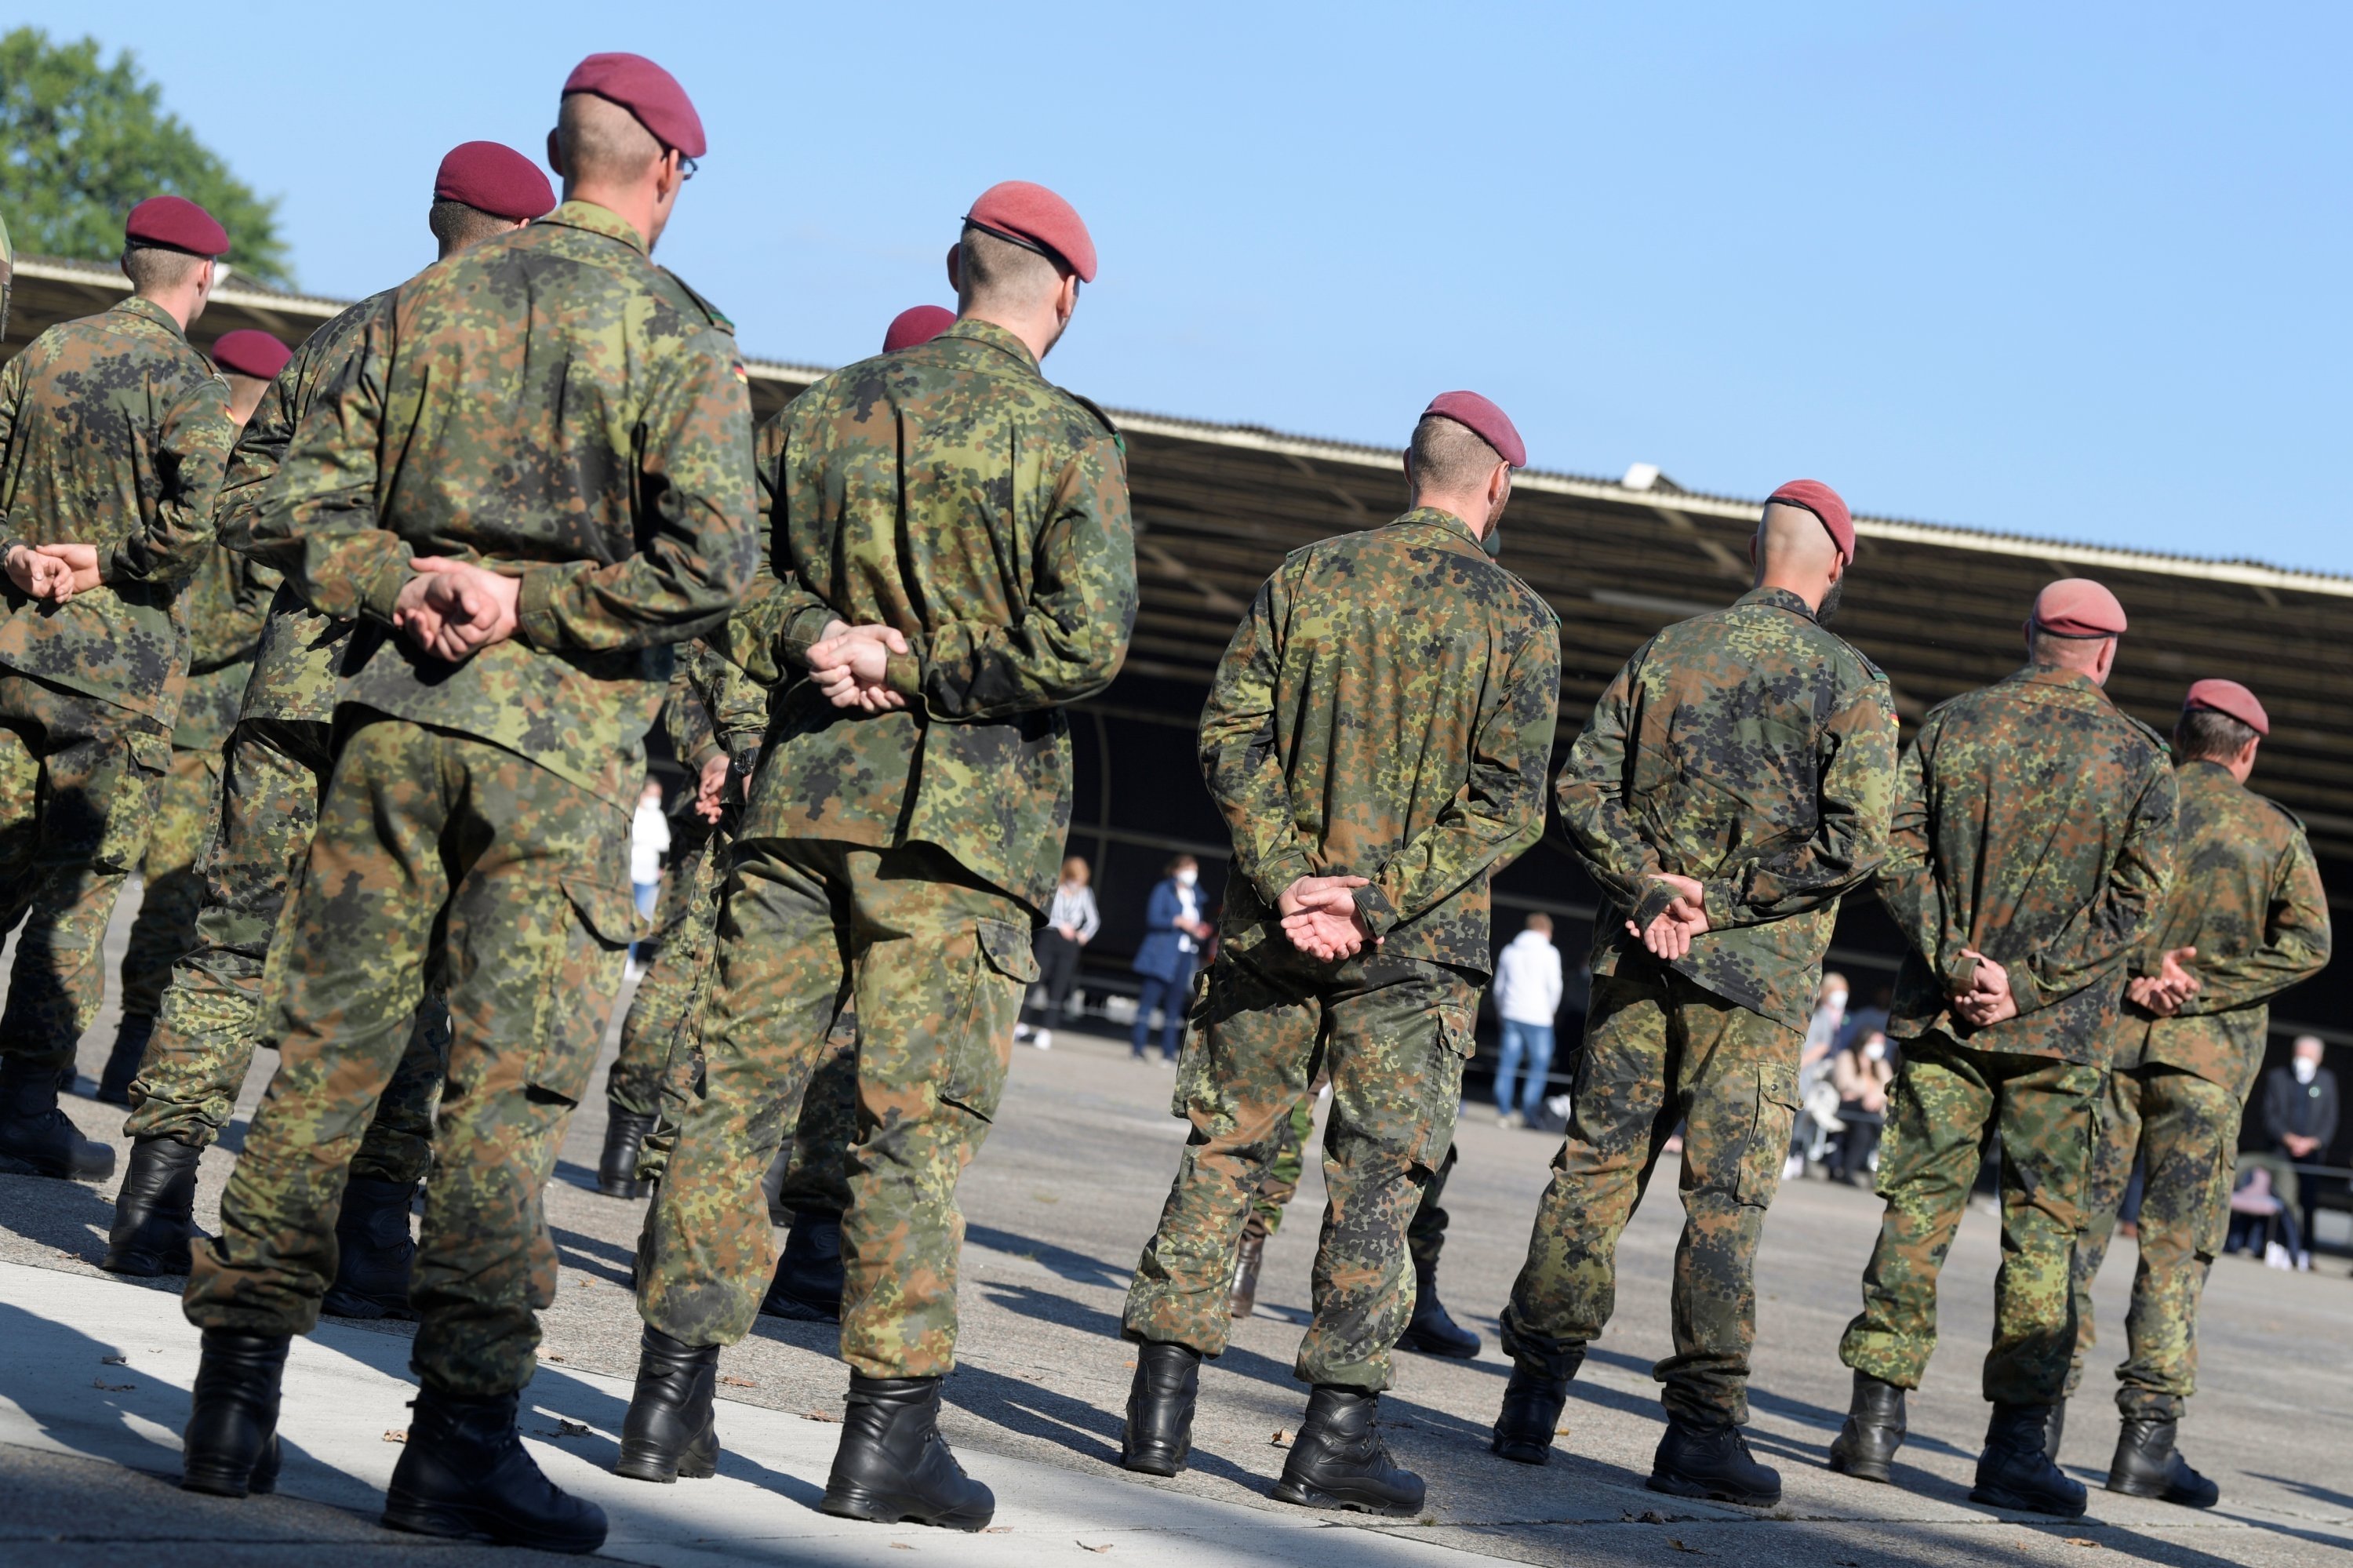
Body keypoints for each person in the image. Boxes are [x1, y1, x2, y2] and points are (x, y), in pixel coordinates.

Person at [180, 57, 752, 1555]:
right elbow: (712, 565)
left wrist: (402, 577)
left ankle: (231, 1402)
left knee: (326, 1057)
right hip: (553, 758)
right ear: (667, 172)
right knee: (505, 1096)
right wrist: (530, 601)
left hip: (392, 722)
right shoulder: (679, 336)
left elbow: (263, 496)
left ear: (565, 155)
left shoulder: (417, 306)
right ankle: (459, 1442)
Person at [621, 179, 1132, 1534]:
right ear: (1066, 293)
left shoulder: (830, 407)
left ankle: (667, 1402)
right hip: (957, 834)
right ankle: (884, 1438)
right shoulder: (1067, 439)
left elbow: (731, 578)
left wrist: (821, 640)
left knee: (734, 1092)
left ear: (958, 270)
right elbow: (1084, 642)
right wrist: (917, 665)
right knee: (913, 1123)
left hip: (801, 802)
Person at [107, 144, 555, 1296]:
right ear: (522, 235)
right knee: (420, 965)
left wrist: (358, 566)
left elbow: (243, 497)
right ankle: (369, 1228)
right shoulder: (537, 356)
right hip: (437, 700)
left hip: (299, 679)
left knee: (230, 936)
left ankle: (154, 1197)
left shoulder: (347, 335)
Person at [1119, 391, 1559, 1516]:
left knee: (1227, 1146)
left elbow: (1230, 734)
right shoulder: (1517, 618)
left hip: (1275, 926)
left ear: (1410, 467)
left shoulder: (1307, 575)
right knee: (1377, 1182)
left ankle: (1158, 1413)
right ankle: (1333, 1439)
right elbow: (1510, 803)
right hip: (1412, 952)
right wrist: (1378, 898)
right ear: (1497, 484)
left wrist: (1288, 876)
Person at [1491, 481, 1896, 1510]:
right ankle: (1702, 1430)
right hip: (1752, 987)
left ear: (1756, 549)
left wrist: (1651, 888)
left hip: (1639, 959)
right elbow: (1859, 840)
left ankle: (1531, 1400)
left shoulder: (1666, 653)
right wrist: (1725, 900)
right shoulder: (1851, 682)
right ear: (1836, 563)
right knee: (1724, 1200)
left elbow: (1580, 787)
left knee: (1594, 1170)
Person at [1832, 578, 2175, 1520]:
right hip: (2058, 1042)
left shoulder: (1953, 726)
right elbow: (2137, 901)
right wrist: (2028, 982)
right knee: (2043, 1234)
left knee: (1917, 1212)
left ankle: (1873, 1423)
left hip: (1945, 1019)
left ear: (2031, 635)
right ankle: (2016, 1450)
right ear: (2107, 653)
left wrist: (1956, 959)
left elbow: (1892, 847)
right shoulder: (2141, 758)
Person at [0, 195, 238, 1182]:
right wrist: (108, 561)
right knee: (75, 898)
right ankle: (22, 1106)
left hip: (13, 653)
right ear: (205, 277)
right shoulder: (189, 383)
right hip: (118, 684)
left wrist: (16, 553)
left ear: (127, 262)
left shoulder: (44, 353)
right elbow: (198, 523)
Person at [2066, 682, 2328, 1508]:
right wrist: (2201, 985)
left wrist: (2140, 972)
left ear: (2180, 737)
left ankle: (2029, 1427)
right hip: (2206, 1069)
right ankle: (2146, 1444)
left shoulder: (2131, 799)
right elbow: (2310, 944)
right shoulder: (2273, 831)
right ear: (2248, 750)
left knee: (2072, 1232)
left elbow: (2073, 907)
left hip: (2108, 1048)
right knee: (2177, 1249)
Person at [93, 329, 289, 1106]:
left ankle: (106, 1051)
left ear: (214, 374)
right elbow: (255, 612)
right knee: (166, 889)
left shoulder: (178, 450)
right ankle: (121, 1051)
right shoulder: (257, 478)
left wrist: (150, 641)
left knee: (99, 876)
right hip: (189, 720)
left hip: (154, 703)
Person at [597, 642, 762, 1199]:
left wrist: (714, 758)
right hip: (766, 806)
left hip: (733, 796)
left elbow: (680, 676)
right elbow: (681, 674)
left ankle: (627, 1146)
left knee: (683, 969)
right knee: (771, 983)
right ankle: (637, 1140)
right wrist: (716, 760)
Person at [2264, 1035, 2339, 1261]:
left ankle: (2307, 1249)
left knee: (2308, 1200)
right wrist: (2287, 1138)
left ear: (2319, 1058)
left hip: (2311, 1153)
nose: (2302, 1059)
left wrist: (2313, 1142)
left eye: (2308, 1055)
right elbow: (2269, 1115)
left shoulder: (2326, 1081)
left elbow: (2330, 1119)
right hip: (2281, 1150)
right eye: (2300, 1054)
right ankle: (2276, 1243)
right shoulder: (2277, 1077)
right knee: (2280, 1196)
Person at [1131, 855, 1210, 1061]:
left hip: (1186, 954)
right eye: (1187, 869)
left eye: (1194, 870)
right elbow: (1153, 918)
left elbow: (1195, 923)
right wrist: (1177, 921)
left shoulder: (1196, 894)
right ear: (1176, 870)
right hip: (1161, 954)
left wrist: (1198, 930)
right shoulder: (1163, 890)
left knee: (1175, 1005)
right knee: (1149, 1001)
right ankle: (1138, 1047)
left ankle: (1168, 1051)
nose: (1192, 874)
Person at [1020, 855, 1100, 1050]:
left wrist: (1082, 936)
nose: (1076, 883)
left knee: (1059, 986)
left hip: (1069, 943)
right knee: (1034, 981)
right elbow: (1042, 912)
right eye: (1074, 878)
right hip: (1048, 937)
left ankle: (1047, 1030)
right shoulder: (1054, 889)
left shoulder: (1085, 893)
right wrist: (1060, 924)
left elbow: (1094, 920)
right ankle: (1021, 1024)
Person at [1493, 911, 1564, 1127]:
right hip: (1539, 1017)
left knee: (1507, 1064)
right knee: (1538, 1067)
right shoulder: (1550, 953)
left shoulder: (1510, 950)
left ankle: (1504, 1112)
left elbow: (1499, 987)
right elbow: (1555, 987)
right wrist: (1551, 1011)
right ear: (1546, 931)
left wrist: (1501, 1011)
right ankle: (1529, 1112)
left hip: (1511, 1013)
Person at [1827, 1031, 1893, 1185]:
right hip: (1848, 1106)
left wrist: (1874, 1097)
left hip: (1870, 1109)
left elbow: (1889, 1087)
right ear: (1864, 1041)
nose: (1878, 1046)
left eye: (1881, 1043)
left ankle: (1848, 1171)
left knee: (1863, 1129)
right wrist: (1869, 1095)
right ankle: (1882, 1131)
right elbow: (1844, 1083)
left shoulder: (1881, 1064)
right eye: (1874, 1042)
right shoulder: (1847, 1057)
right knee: (1869, 1118)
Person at [628, 778, 672, 970]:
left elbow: (664, 842)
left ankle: (630, 960)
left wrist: (644, 839)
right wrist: (648, 838)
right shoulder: (633, 812)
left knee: (638, 920)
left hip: (647, 876)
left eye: (658, 795)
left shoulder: (658, 815)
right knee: (623, 916)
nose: (655, 799)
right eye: (652, 794)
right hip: (629, 872)